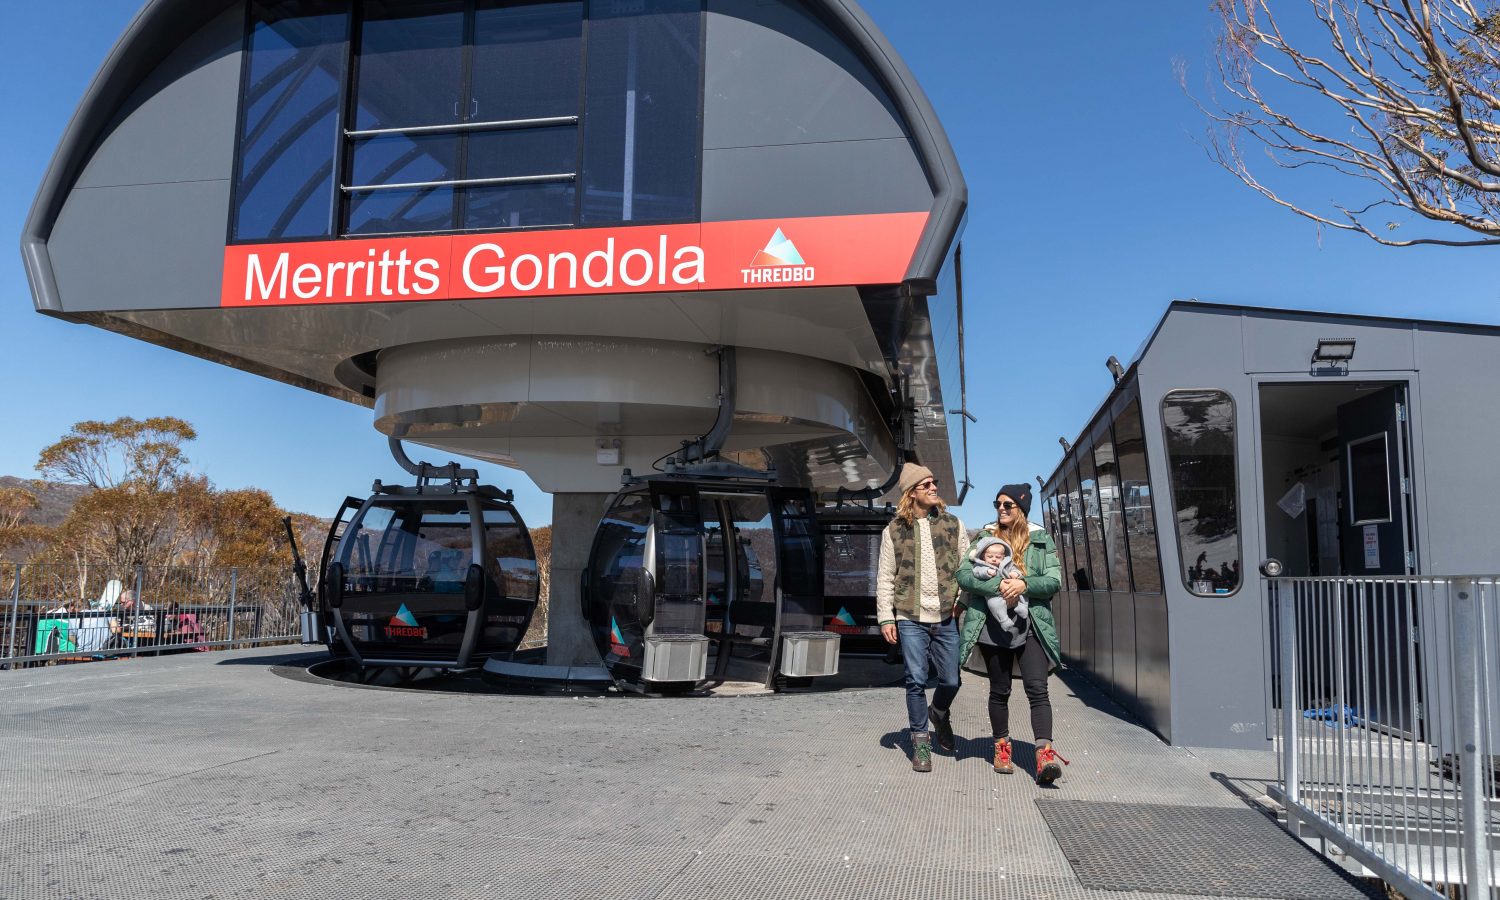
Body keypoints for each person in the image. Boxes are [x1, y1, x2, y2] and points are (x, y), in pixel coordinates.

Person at [957, 484, 1068, 784]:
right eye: (998, 503)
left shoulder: (1041, 539)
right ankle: (1001, 747)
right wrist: (999, 586)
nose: (1001, 509)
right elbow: (963, 575)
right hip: (992, 628)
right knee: (1000, 689)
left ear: (1022, 509)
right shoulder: (983, 537)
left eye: (1008, 505)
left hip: (1030, 624)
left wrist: (1024, 585)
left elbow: (1054, 580)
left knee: (1037, 688)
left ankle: (1044, 756)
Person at [876, 464, 969, 773]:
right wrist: (885, 618)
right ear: (911, 492)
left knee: (951, 680)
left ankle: (939, 712)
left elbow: (968, 569)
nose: (934, 488)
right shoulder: (894, 530)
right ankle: (921, 742)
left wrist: (961, 601)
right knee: (915, 679)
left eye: (934, 482)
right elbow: (885, 577)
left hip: (945, 616)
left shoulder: (954, 524)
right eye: (926, 484)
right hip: (909, 616)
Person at [967, 536, 1030, 649]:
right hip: (995, 594)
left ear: (1004, 556)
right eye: (990, 556)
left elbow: (1016, 569)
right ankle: (1004, 620)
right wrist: (986, 572)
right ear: (982, 556)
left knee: (1023, 591)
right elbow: (977, 572)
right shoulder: (981, 565)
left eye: (998, 557)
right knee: (993, 604)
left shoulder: (1008, 563)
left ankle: (1022, 607)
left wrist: (1016, 574)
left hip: (1013, 589)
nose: (994, 559)